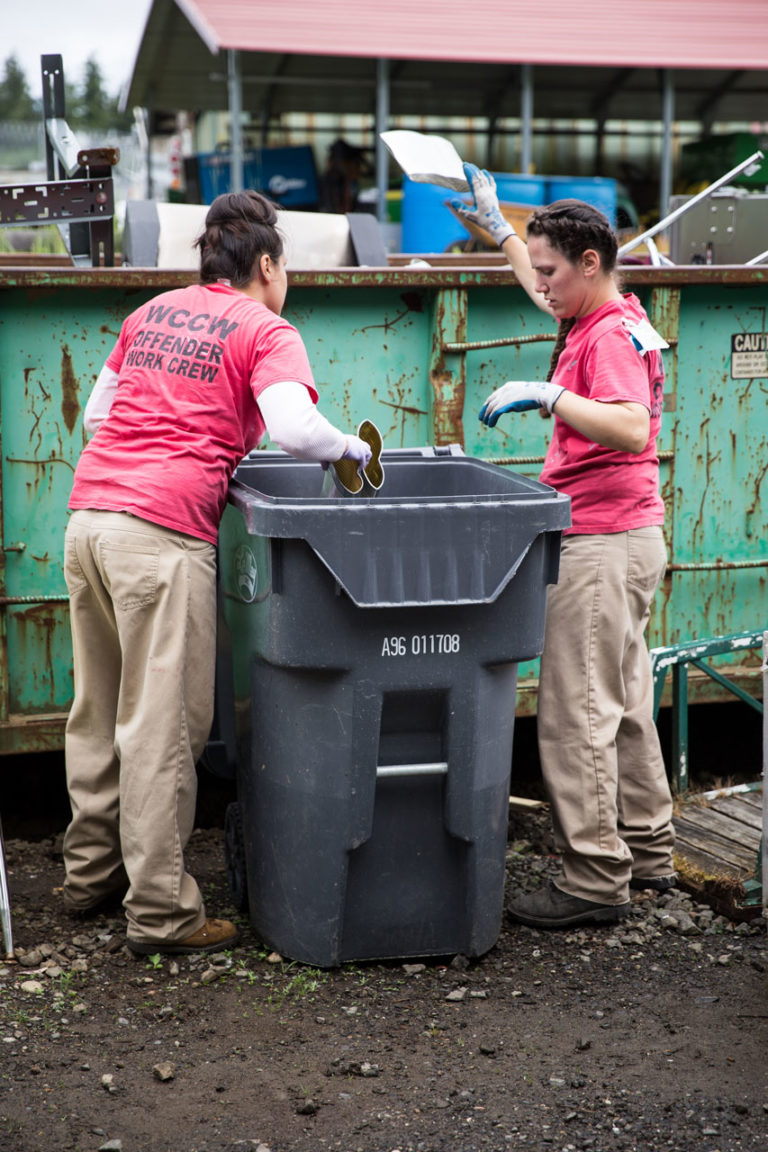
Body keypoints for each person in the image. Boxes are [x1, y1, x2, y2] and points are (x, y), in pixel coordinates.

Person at [62, 190, 372, 955]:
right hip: (161, 537)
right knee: (163, 728)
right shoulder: (267, 328)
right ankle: (162, 915)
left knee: (99, 707)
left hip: (90, 519)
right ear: (266, 264)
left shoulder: (152, 312)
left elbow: (99, 418)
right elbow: (296, 427)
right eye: (285, 267)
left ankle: (88, 875)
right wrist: (350, 450)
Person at [452, 167, 675, 929]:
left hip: (601, 543)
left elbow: (632, 427)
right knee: (625, 703)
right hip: (635, 537)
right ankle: (648, 850)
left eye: (552, 271)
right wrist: (502, 233)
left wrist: (547, 395)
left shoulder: (606, 337)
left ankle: (593, 879)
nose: (540, 286)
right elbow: (542, 281)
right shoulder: (609, 309)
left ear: (589, 265)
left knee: (576, 712)